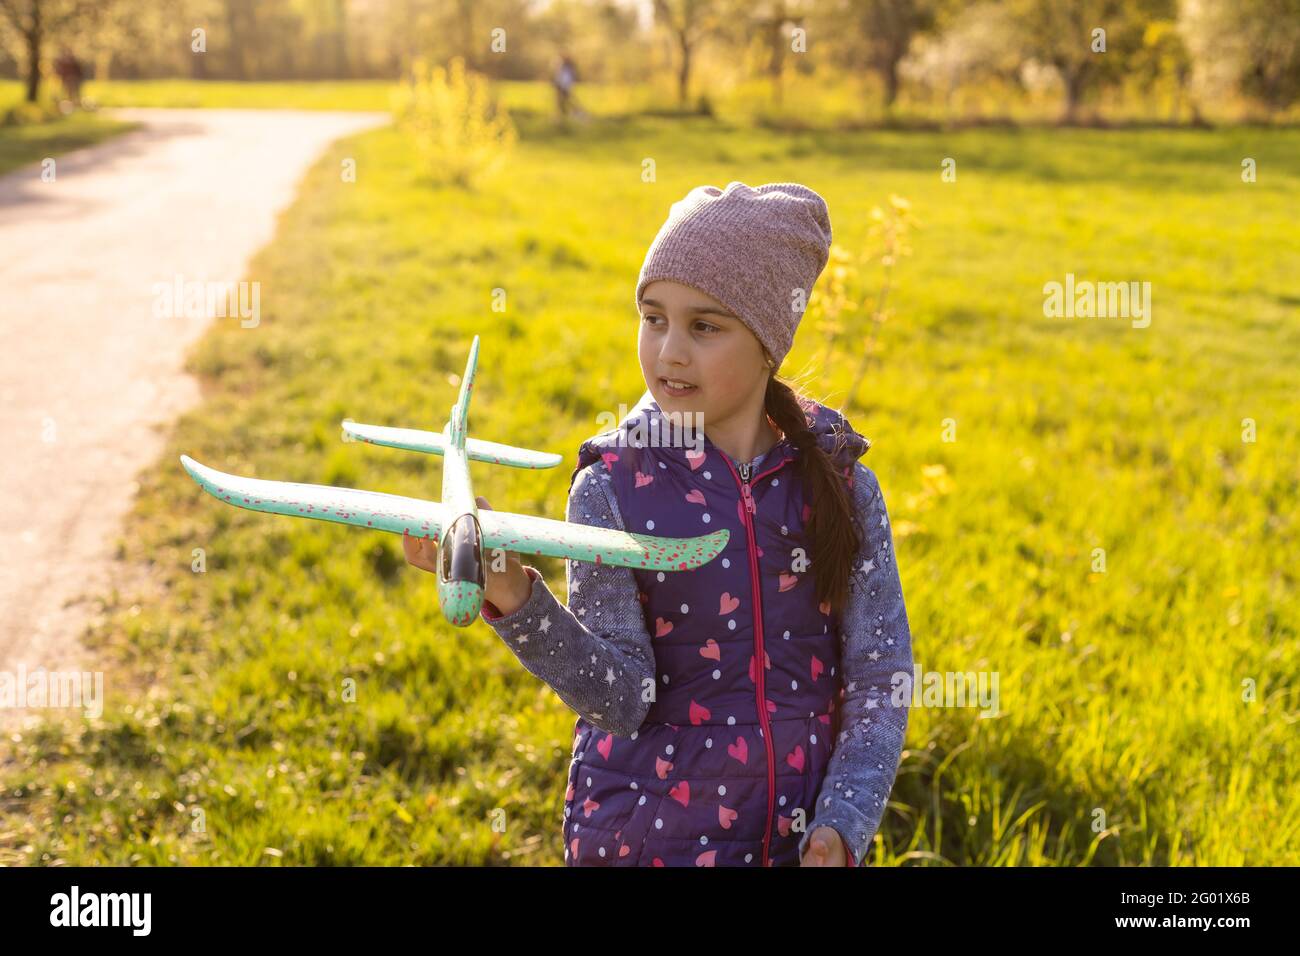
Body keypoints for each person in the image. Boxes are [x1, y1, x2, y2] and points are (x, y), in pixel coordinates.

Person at [403, 182, 913, 867]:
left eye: (704, 326)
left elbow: (881, 678)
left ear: (769, 342)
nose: (669, 351)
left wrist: (843, 822)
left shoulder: (842, 486)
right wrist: (516, 598)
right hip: (642, 841)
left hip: (796, 845)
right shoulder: (611, 487)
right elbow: (618, 699)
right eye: (653, 318)